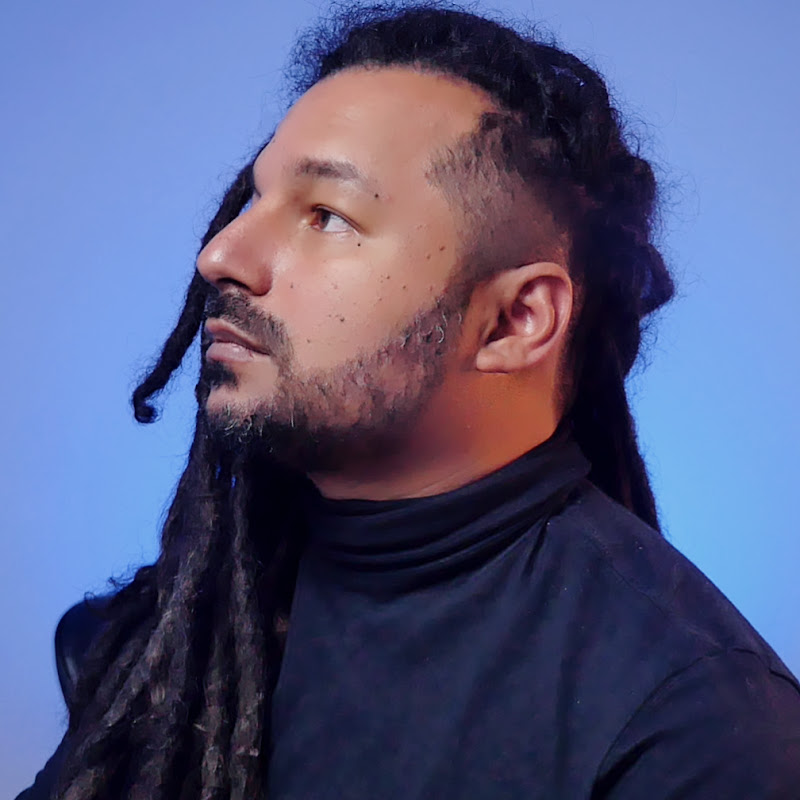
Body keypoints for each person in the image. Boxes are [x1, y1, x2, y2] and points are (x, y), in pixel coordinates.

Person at [17, 3, 800, 799]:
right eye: (254, 199)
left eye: (327, 216)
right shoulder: (168, 644)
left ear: (514, 321)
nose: (221, 254)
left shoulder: (694, 728)